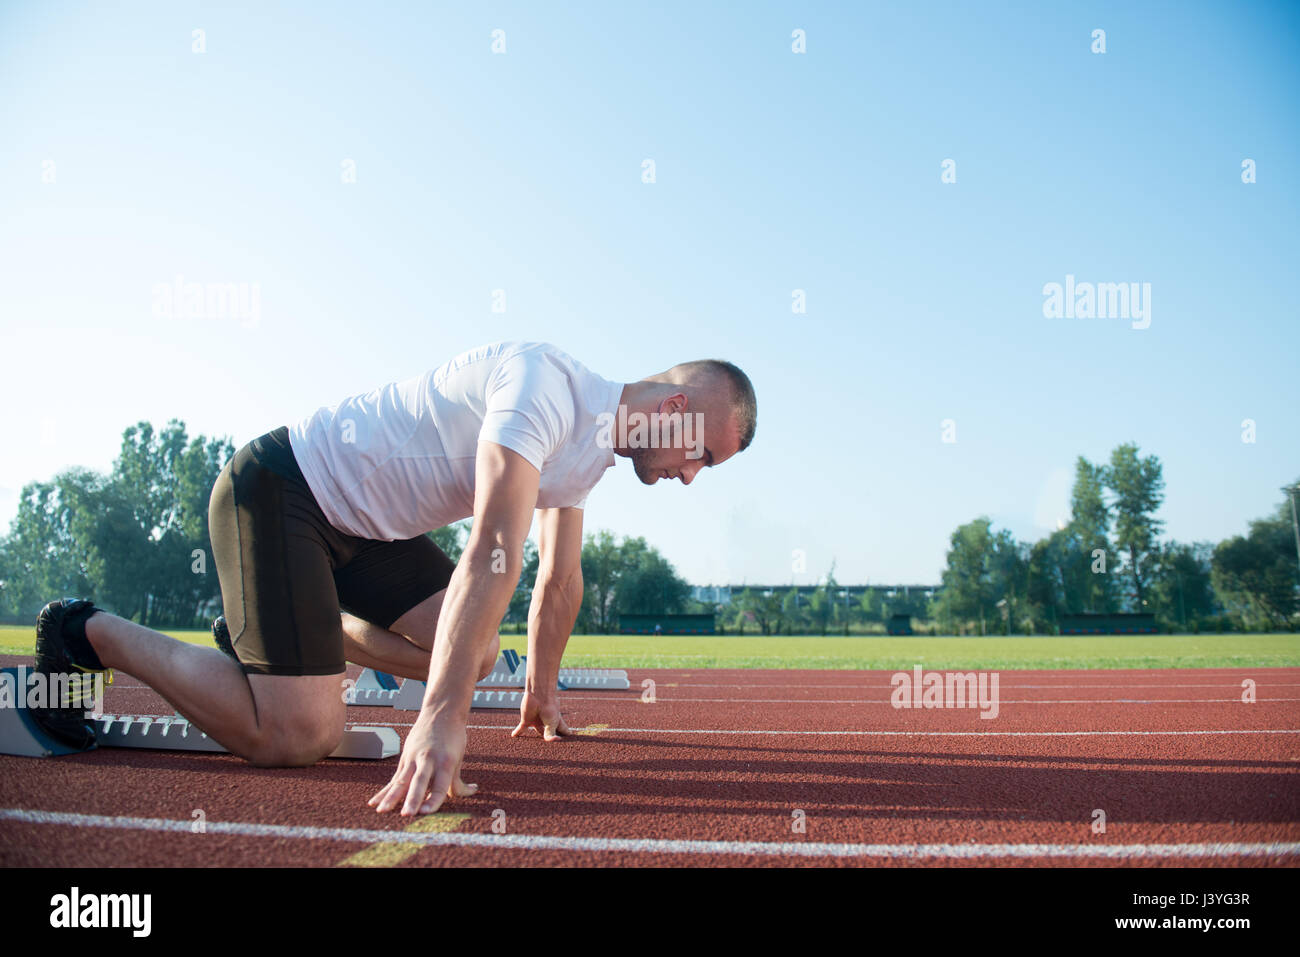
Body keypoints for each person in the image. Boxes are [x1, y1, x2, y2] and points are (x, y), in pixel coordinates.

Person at [33, 340, 756, 815]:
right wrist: (441, 716)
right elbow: (495, 548)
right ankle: (84, 629)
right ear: (672, 410)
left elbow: (561, 580)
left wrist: (538, 690)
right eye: (704, 456)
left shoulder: (590, 456)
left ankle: (285, 634)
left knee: (477, 653)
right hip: (289, 488)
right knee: (298, 736)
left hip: (371, 534)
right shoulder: (547, 388)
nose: (692, 476)